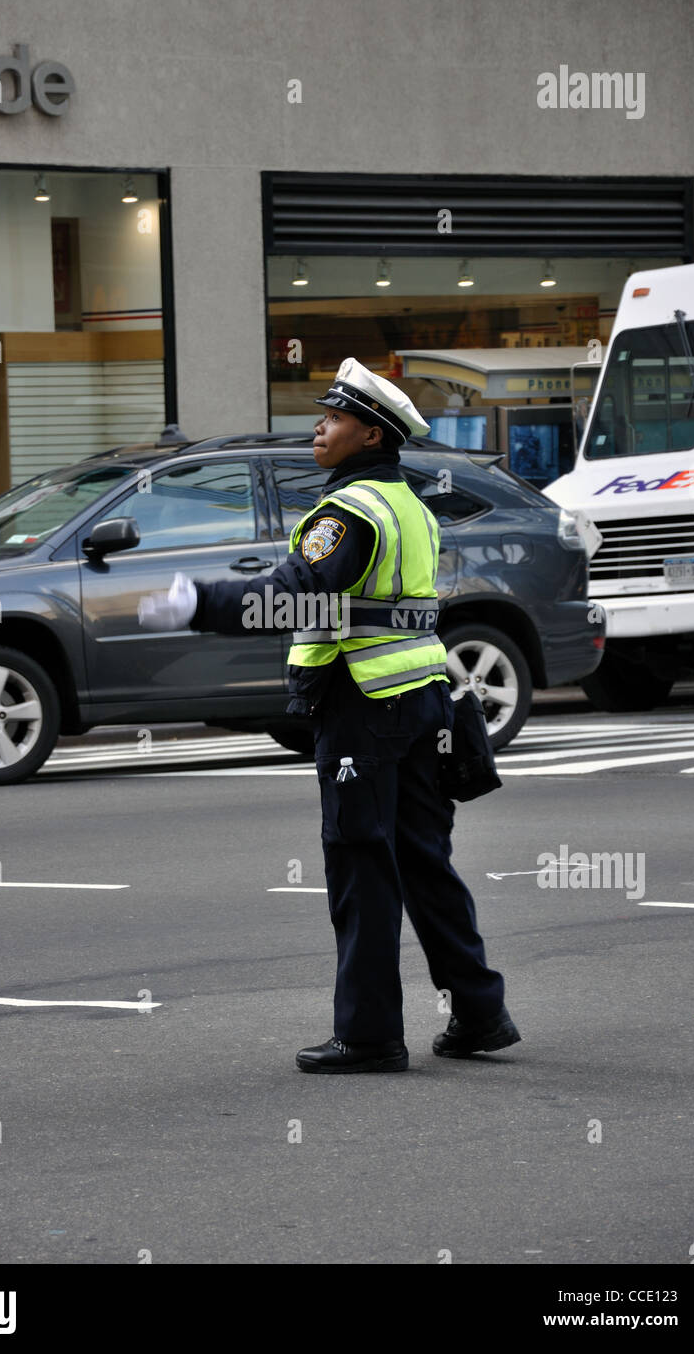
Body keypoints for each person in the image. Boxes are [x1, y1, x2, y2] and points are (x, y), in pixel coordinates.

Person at [138, 358, 520, 1073]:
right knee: (423, 865)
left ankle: (370, 1036)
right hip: (422, 698)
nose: (319, 428)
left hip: (363, 707)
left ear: (370, 435)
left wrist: (197, 602)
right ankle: (479, 1013)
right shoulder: (407, 503)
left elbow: (295, 594)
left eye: (334, 419)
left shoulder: (349, 512)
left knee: (361, 867)